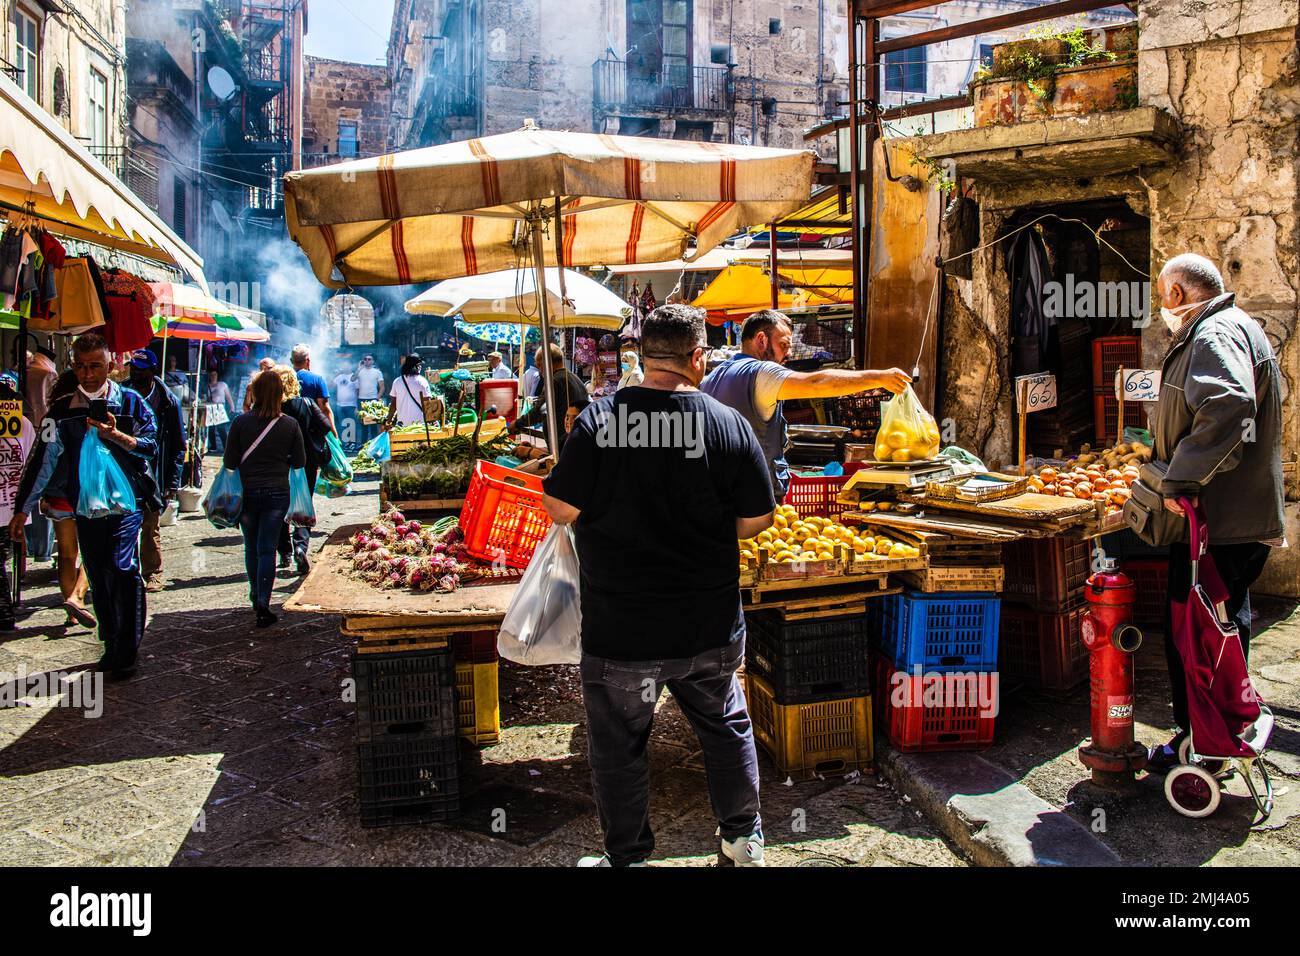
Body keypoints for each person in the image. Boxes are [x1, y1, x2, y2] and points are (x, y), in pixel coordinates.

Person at [541, 304, 777, 867]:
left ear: (641, 357)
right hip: (708, 627)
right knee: (725, 729)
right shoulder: (727, 423)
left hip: (622, 633)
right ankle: (744, 842)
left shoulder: (600, 421)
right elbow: (758, 519)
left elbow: (558, 506)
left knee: (619, 748)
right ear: (698, 358)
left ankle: (629, 857)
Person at [1143, 253, 1284, 772]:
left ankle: (1203, 743)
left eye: (1161, 293)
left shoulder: (1213, 334)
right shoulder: (1233, 326)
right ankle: (1223, 729)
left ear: (1176, 294)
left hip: (1219, 522)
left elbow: (1227, 406)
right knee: (1224, 625)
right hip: (1230, 520)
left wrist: (1180, 477)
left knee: (1194, 633)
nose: (1161, 304)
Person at [11, 332, 159, 678]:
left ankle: (126, 647)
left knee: (124, 569)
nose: (88, 374)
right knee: (97, 570)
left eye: (95, 366)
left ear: (111, 365)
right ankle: (111, 638)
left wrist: (117, 435)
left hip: (127, 506)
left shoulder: (133, 404)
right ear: (72, 367)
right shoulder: (60, 411)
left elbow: (151, 445)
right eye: (80, 366)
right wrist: (22, 507)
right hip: (84, 507)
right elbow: (40, 462)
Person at [701, 310, 912, 499]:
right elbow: (817, 383)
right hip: (755, 497)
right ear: (761, 340)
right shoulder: (761, 371)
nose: (789, 354)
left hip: (720, 492)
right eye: (783, 345)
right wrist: (880, 377)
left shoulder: (712, 377)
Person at [225, 366, 306, 628]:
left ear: (256, 393)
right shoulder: (290, 425)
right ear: (281, 395)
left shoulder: (240, 422)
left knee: (251, 546)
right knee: (267, 548)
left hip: (247, 493)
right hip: (276, 493)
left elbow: (229, 461)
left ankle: (254, 593)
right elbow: (300, 462)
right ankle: (263, 601)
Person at [127, 350, 186, 592]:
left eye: (141, 371)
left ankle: (153, 572)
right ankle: (128, 572)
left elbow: (178, 444)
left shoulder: (167, 400)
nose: (136, 375)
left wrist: (173, 481)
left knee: (150, 526)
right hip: (125, 468)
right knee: (126, 523)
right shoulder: (122, 393)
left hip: (154, 471)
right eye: (133, 370)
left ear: (152, 372)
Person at [275, 365, 329, 576]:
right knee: (303, 503)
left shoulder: (271, 407)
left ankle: (285, 552)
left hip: (279, 464)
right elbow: (324, 425)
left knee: (280, 506)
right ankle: (300, 546)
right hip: (305, 462)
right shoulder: (305, 403)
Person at [0, 374, 34, 631]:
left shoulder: (22, 424)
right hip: (15, 503)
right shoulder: (24, 424)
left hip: (11, 505)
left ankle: (4, 613)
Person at [507, 343, 589, 450]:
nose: (540, 371)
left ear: (545, 363)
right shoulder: (575, 379)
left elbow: (539, 411)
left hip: (564, 444)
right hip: (576, 441)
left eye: (539, 365)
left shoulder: (555, 381)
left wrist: (517, 424)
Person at [291, 344, 336, 435]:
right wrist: (334, 432)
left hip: (290, 428)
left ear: (291, 360)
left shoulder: (283, 379)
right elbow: (325, 409)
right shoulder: (317, 379)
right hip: (312, 430)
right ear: (308, 361)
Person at [385, 354, 433, 428]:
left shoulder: (397, 381)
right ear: (416, 366)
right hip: (420, 424)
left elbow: (393, 404)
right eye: (419, 365)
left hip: (402, 424)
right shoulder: (422, 381)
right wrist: (432, 421)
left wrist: (388, 420)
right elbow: (428, 404)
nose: (420, 367)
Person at [355, 354, 385, 443]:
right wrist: (358, 369)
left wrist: (377, 398)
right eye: (365, 359)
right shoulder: (360, 371)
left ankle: (374, 445)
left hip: (373, 400)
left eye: (369, 359)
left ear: (373, 361)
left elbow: (382, 387)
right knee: (363, 424)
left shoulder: (377, 372)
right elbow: (352, 379)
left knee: (373, 425)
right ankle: (363, 445)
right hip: (362, 400)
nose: (367, 361)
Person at [205, 370, 235, 453]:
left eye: (215, 374)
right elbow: (205, 397)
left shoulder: (222, 384)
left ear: (217, 375)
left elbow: (228, 397)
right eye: (211, 374)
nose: (213, 376)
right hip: (210, 407)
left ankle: (226, 447)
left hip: (220, 407)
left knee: (221, 428)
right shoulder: (207, 386)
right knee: (211, 428)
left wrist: (232, 407)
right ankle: (213, 446)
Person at [332, 364, 360, 451]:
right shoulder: (339, 377)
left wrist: (357, 406)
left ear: (350, 367)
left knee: (351, 424)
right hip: (340, 405)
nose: (344, 367)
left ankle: (353, 444)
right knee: (343, 424)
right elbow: (331, 385)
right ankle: (346, 444)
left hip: (351, 405)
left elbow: (358, 391)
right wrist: (335, 374)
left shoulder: (353, 377)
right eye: (343, 366)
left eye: (346, 366)